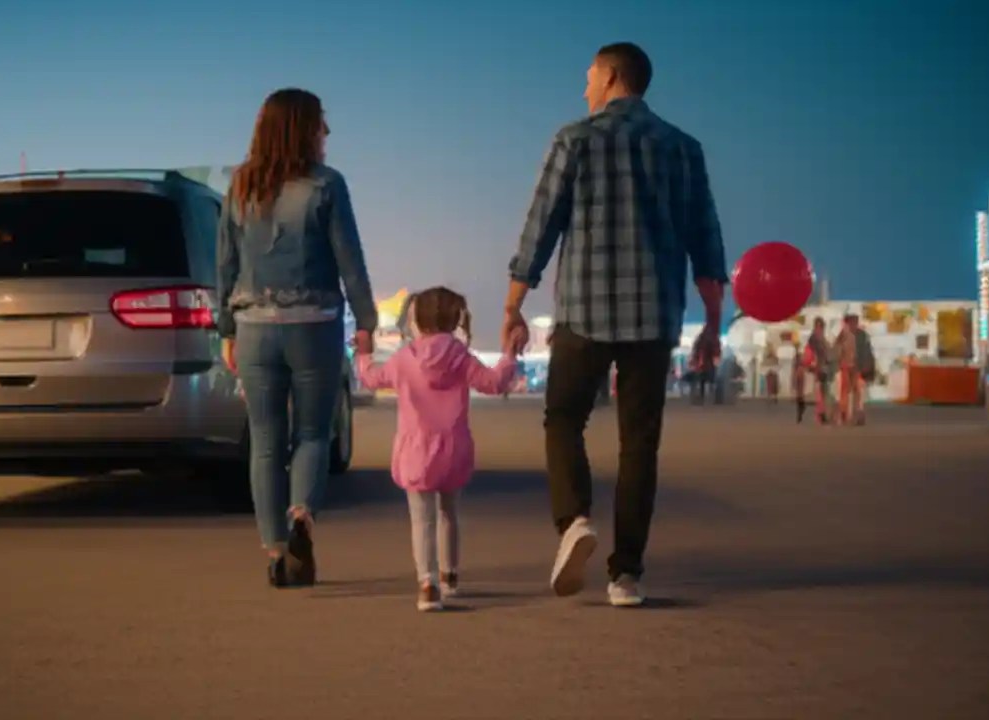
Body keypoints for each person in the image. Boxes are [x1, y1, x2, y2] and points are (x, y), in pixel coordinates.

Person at [501, 42, 728, 607]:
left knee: (562, 419)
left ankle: (574, 520)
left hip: (584, 311)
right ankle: (626, 576)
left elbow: (541, 228)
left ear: (611, 76)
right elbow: (707, 239)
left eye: (589, 77)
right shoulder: (683, 148)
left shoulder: (575, 139)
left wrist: (513, 306)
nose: (584, 89)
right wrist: (713, 324)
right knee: (640, 444)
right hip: (655, 316)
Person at [217, 88, 379, 588]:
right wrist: (367, 322)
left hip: (254, 328)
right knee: (313, 433)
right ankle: (302, 515)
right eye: (320, 124)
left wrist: (226, 330)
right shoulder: (327, 185)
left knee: (265, 441)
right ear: (304, 129)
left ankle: (275, 551)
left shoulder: (240, 186)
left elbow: (225, 262)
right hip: (314, 325)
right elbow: (349, 260)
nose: (326, 133)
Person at [354, 288, 519, 611]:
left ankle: (427, 584)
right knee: (449, 514)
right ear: (455, 319)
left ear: (416, 319)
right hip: (453, 449)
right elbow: (493, 383)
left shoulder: (404, 359)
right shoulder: (460, 356)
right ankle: (450, 576)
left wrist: (363, 354)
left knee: (421, 520)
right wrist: (509, 355)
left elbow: (372, 379)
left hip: (416, 451)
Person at [805, 317, 832, 425]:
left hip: (821, 367)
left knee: (822, 391)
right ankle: (821, 414)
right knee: (820, 391)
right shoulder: (815, 339)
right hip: (818, 367)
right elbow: (817, 354)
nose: (820, 329)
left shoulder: (819, 338)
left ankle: (821, 413)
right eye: (820, 327)